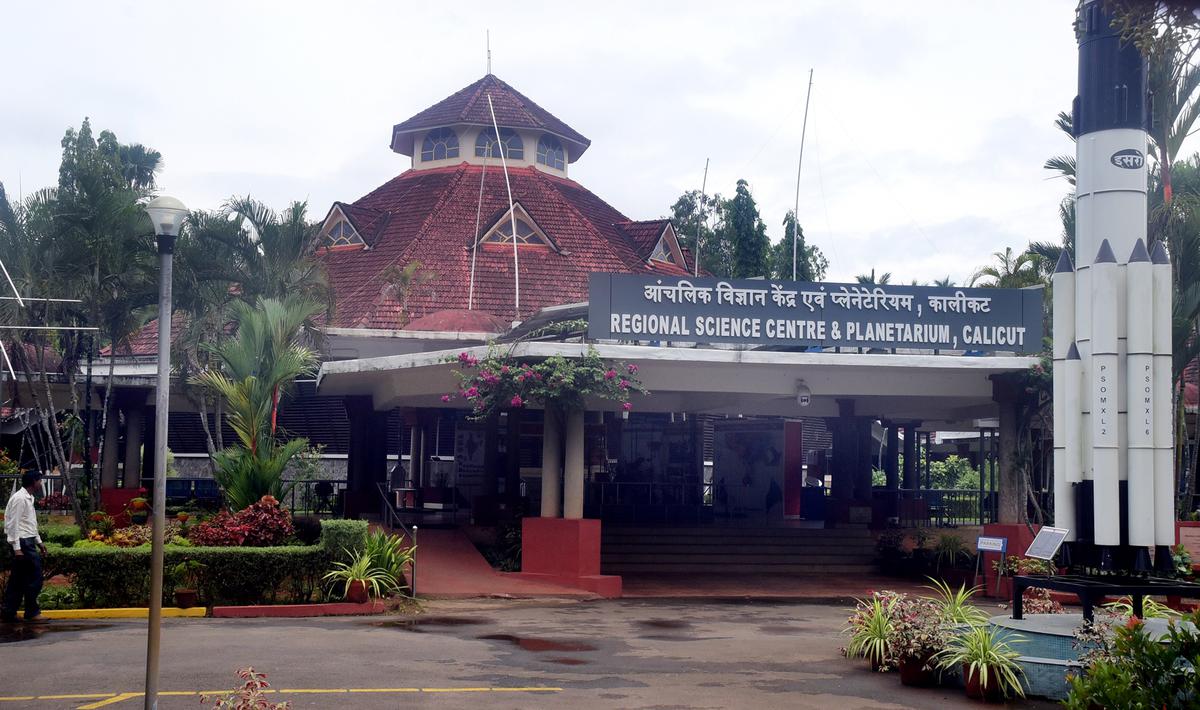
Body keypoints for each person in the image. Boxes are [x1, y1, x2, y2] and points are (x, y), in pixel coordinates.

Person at [3, 471, 47, 622]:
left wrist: (39, 542)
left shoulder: (28, 498)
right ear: (34, 481)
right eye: (40, 481)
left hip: (27, 541)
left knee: (18, 579)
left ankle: (9, 611)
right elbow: (12, 523)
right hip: (22, 542)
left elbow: (29, 523)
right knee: (35, 578)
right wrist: (17, 548)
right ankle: (32, 612)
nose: (41, 483)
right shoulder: (20, 499)